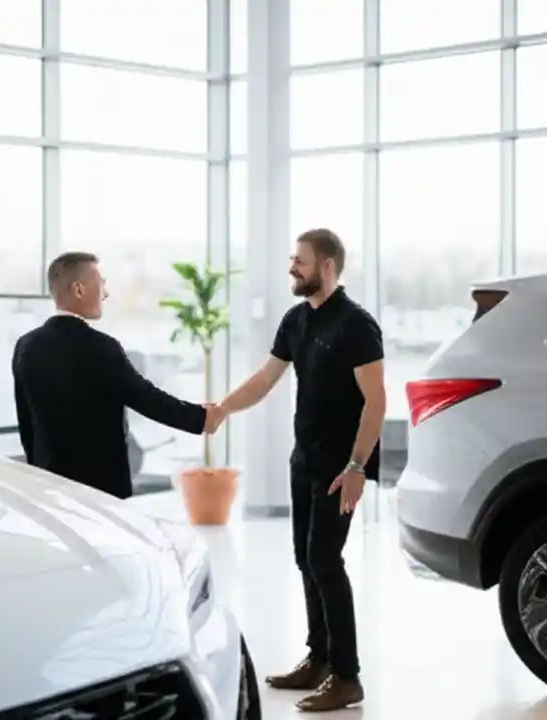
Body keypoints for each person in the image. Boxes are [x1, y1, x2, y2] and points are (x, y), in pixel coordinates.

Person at [217, 228, 385, 712]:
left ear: (327, 266)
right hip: (304, 461)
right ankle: (320, 659)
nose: (293, 268)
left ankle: (348, 677)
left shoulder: (356, 325)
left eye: (301, 261)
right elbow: (266, 379)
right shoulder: (295, 320)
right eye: (293, 259)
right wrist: (222, 410)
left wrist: (357, 465)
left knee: (326, 561)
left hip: (339, 467)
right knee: (305, 559)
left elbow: (376, 402)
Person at [12, 251, 225, 500]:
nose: (105, 294)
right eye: (101, 284)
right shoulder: (102, 348)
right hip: (102, 492)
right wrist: (201, 418)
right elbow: (147, 399)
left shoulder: (25, 346)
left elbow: (26, 425)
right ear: (78, 290)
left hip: (49, 489)